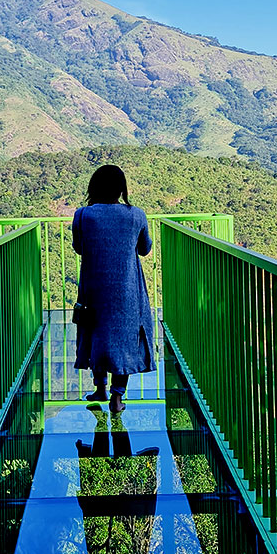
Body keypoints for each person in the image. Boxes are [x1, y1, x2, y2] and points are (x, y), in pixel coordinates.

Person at [72, 164, 155, 413]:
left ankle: (100, 388)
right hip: (127, 289)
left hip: (93, 287)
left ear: (94, 188)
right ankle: (117, 398)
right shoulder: (136, 215)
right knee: (125, 338)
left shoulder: (83, 215)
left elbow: (79, 248)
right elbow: (145, 249)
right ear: (121, 189)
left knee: (95, 332)